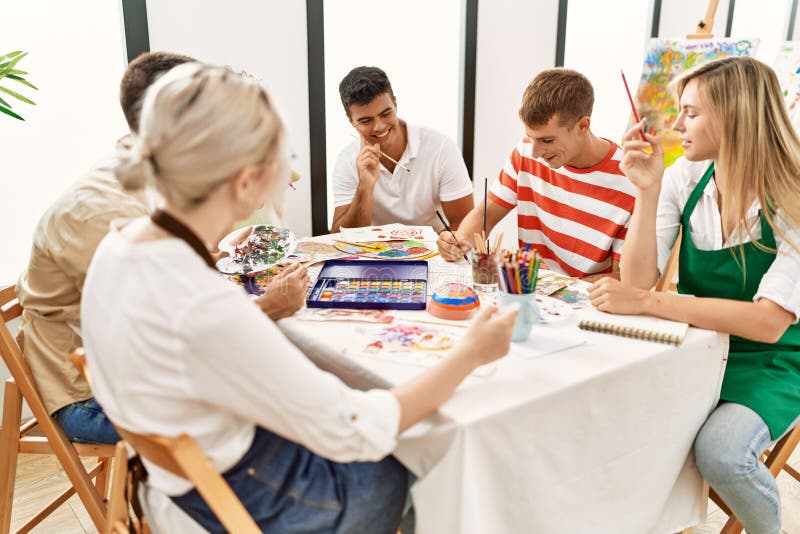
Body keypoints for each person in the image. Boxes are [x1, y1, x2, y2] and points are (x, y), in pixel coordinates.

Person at [80, 63, 518, 533]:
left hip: (178, 486)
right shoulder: (204, 303)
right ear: (245, 178)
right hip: (252, 500)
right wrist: (471, 354)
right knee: (430, 455)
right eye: (279, 155)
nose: (285, 169)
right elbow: (355, 429)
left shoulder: (117, 246)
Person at [589, 57, 800, 533]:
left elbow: (768, 323)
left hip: (775, 359)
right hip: (698, 346)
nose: (677, 125)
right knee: (612, 423)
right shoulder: (684, 175)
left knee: (722, 453)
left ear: (734, 116)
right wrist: (646, 191)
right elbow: (639, 280)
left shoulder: (793, 195)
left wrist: (651, 304)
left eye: (691, 112)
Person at [437, 68, 636, 281]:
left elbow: (622, 277)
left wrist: (555, 285)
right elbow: (485, 214)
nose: (535, 153)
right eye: (531, 138)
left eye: (547, 141)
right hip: (531, 293)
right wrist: (459, 241)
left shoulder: (630, 180)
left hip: (586, 302)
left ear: (583, 126)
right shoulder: (525, 152)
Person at [330, 66, 474, 232]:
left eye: (385, 114)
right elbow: (340, 237)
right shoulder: (347, 160)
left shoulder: (441, 148)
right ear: (351, 120)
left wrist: (447, 247)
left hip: (434, 253)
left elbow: (466, 226)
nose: (379, 127)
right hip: (375, 254)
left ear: (395, 104)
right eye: (366, 121)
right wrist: (365, 185)